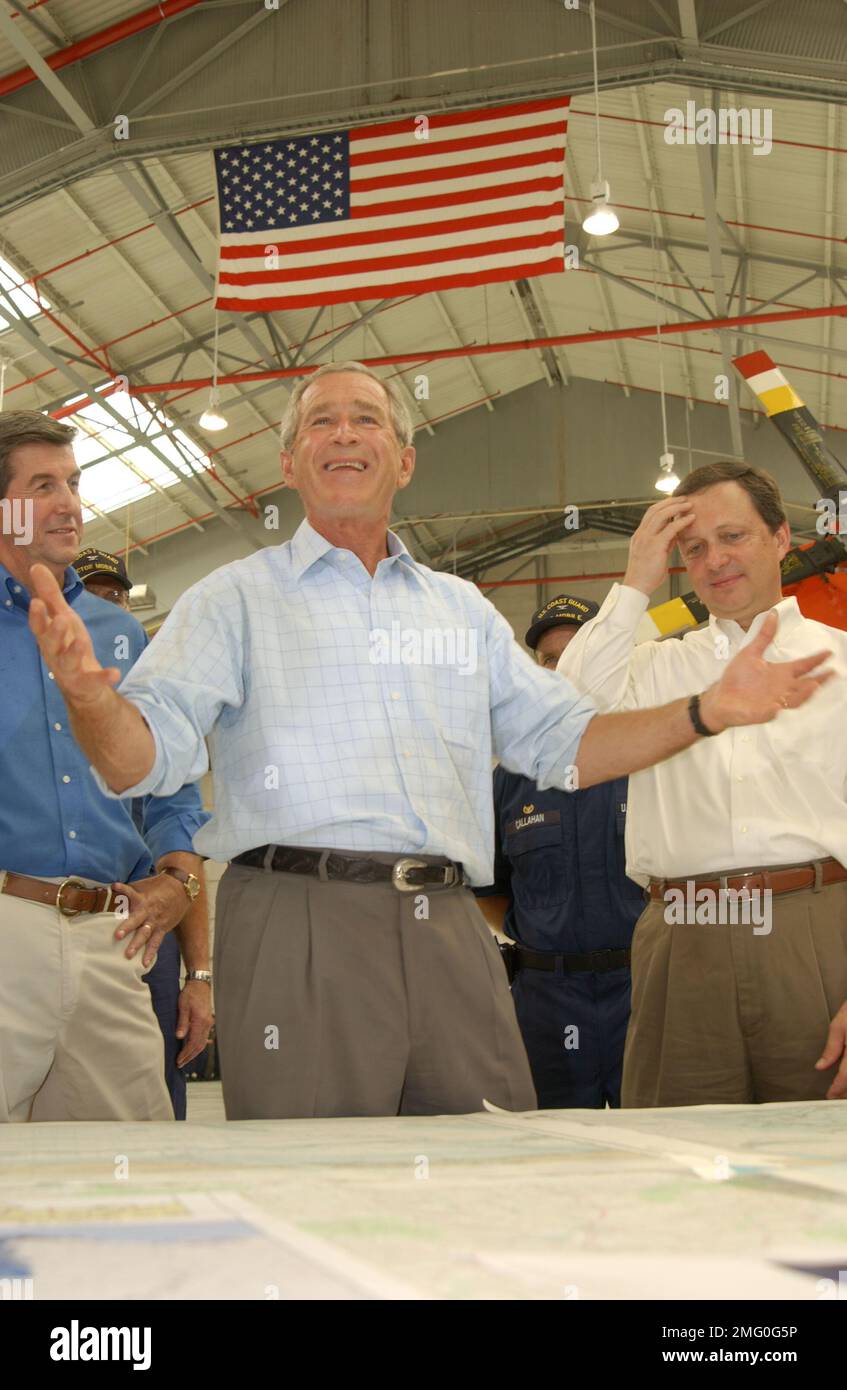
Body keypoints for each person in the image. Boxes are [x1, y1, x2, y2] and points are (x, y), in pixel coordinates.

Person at [26, 366, 835, 1121]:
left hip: (450, 925)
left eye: (366, 419)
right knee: (317, 1179)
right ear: (287, 462)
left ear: (404, 461)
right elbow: (138, 762)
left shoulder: (461, 609)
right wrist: (89, 697)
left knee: (487, 1162)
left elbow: (567, 741)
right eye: (322, 422)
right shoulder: (231, 600)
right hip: (299, 912)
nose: (344, 433)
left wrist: (705, 712)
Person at [557, 462, 847, 1106]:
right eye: (694, 549)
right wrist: (636, 578)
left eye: (733, 537)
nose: (714, 559)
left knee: (824, 1164)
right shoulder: (654, 669)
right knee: (677, 1161)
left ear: (780, 538)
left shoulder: (843, 661)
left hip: (819, 935)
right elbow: (566, 706)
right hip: (682, 936)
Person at [0, 412, 211, 1122]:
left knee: (131, 1169)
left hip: (109, 935)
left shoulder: (120, 633)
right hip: (5, 923)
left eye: (74, 482)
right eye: (43, 485)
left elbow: (171, 787)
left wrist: (180, 879)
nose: (70, 503)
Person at [476, 596, 644, 1108]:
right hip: (546, 1000)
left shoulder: (650, 761)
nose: (564, 668)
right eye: (550, 659)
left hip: (642, 991)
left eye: (578, 652)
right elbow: (489, 889)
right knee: (552, 1150)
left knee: (663, 1142)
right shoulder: (509, 780)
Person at [74, 546, 213, 1121]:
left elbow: (185, 862)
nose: (111, 612)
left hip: (137, 930)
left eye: (118, 598)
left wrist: (198, 975)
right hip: (35, 918)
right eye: (93, 597)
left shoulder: (158, 716)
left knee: (152, 1094)